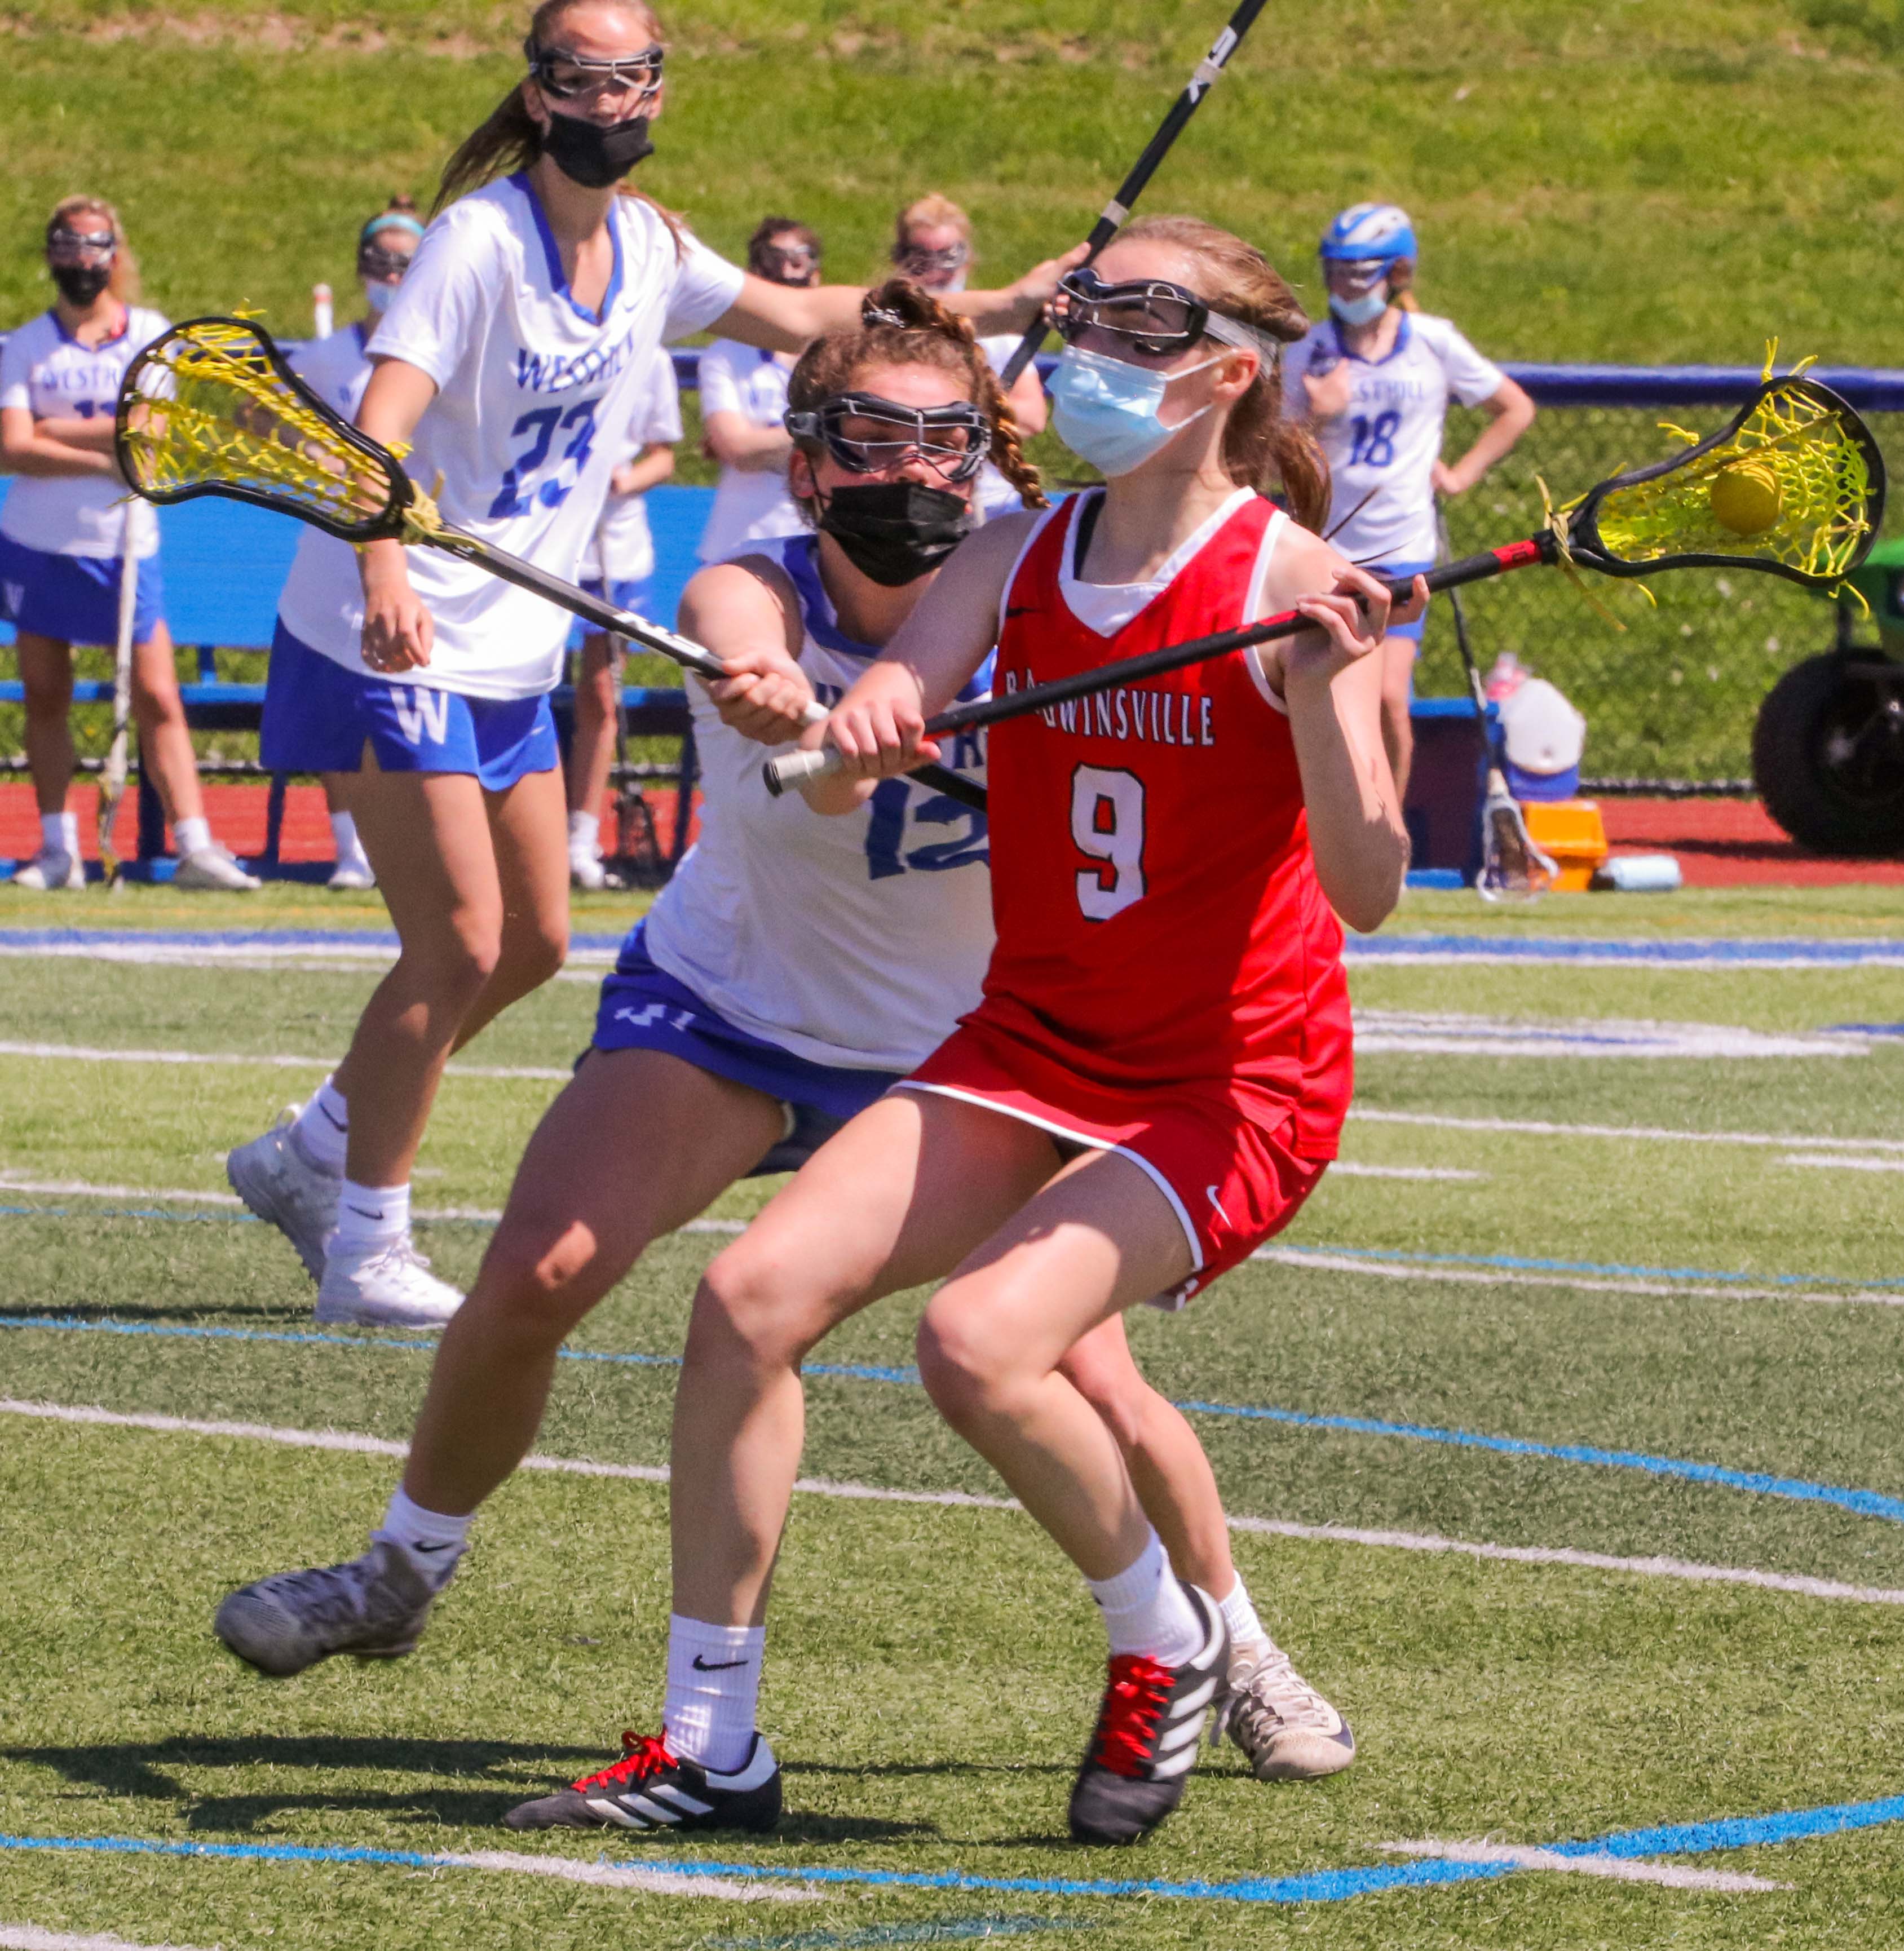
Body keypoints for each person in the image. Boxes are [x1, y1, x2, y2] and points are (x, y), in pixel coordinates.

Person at [211, 282, 1354, 1821]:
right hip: (735, 1004)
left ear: (985, 454)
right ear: (808, 462)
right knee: (540, 1272)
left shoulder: (1044, 583)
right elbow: (784, 702)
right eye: (864, 439)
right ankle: (405, 1565)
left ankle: (1236, 1644)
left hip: (959, 1040)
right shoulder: (745, 581)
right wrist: (798, 707)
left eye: (939, 441)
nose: (904, 471)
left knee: (1074, 1361)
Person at [634, 215, 1411, 1848]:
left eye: (1137, 324)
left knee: (977, 1341)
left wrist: (1327, 690)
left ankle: (1166, 1634)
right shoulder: (1009, 557)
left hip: (1225, 1077)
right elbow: (855, 765)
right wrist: (836, 716)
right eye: (1080, 314)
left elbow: (1367, 888)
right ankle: (711, 1739)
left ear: (1223, 374)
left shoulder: (1283, 579)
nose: (1086, 351)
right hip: (1032, 1033)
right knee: (743, 1299)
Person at [220, 0, 1075, 1333]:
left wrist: (1009, 302)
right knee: (457, 942)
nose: (612, 103)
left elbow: (806, 311)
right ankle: (363, 1238)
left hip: (507, 638)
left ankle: (313, 1148)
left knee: (536, 944)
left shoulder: (647, 247)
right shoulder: (477, 242)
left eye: (635, 79)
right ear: (542, 88)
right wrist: (380, 563)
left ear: (658, 91)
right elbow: (373, 421)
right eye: (584, 78)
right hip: (386, 622)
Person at [0, 197, 260, 892]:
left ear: (113, 254)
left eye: (93, 246)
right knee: (46, 695)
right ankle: (59, 850)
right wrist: (99, 450)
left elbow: (146, 431)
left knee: (157, 694)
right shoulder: (25, 346)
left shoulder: (149, 335)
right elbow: (12, 447)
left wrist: (58, 429)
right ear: (51, 255)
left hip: (124, 545)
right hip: (39, 543)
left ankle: (195, 845)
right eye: (67, 246)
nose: (81, 262)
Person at [1284, 202, 1533, 798]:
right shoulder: (1305, 351)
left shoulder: (1432, 342)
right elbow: (1271, 456)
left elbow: (1512, 407)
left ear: (1396, 275)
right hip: (1323, 549)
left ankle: (1385, 833)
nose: (1345, 285)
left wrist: (1462, 473)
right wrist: (1315, 419)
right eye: (1336, 272)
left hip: (1401, 548)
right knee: (1322, 693)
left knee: (1390, 697)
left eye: (1359, 272)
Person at [284, 196, 427, 891]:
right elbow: (290, 442)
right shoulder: (323, 356)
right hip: (334, 545)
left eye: (405, 262)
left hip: (414, 552)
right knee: (340, 699)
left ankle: (412, 842)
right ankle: (350, 849)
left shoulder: (443, 358)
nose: (391, 275)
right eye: (380, 261)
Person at [566, 342, 681, 890]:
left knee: (601, 694)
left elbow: (662, 455)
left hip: (615, 549)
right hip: (541, 545)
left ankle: (578, 842)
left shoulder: (650, 356)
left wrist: (621, 481)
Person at [891, 194, 1049, 517]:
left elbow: (1033, 416)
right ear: (899, 258)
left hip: (989, 502)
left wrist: (948, 414)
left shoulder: (1001, 335)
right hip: (903, 495)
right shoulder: (883, 334)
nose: (935, 273)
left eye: (948, 256)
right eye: (921, 259)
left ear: (967, 260)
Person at [692, 217, 819, 565]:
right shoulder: (725, 355)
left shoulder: (843, 361)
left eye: (798, 266)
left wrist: (768, 442)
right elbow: (737, 449)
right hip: (739, 545)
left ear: (817, 277)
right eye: (772, 276)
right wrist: (823, 435)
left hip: (818, 546)